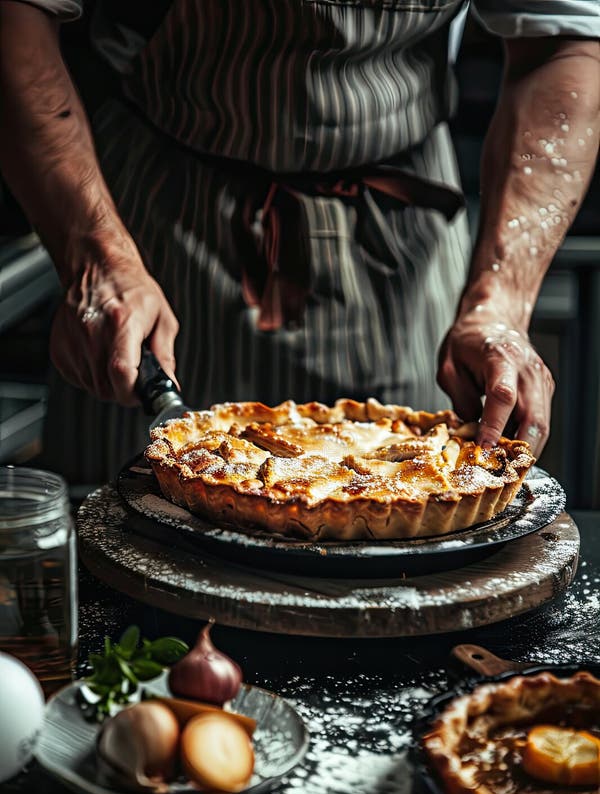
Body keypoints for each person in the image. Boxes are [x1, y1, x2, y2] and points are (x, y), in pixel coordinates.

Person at [0, 0, 598, 485]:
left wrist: (501, 303)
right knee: (132, 545)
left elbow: (562, 44)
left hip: (400, 244)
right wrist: (96, 259)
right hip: (154, 226)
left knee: (405, 550)